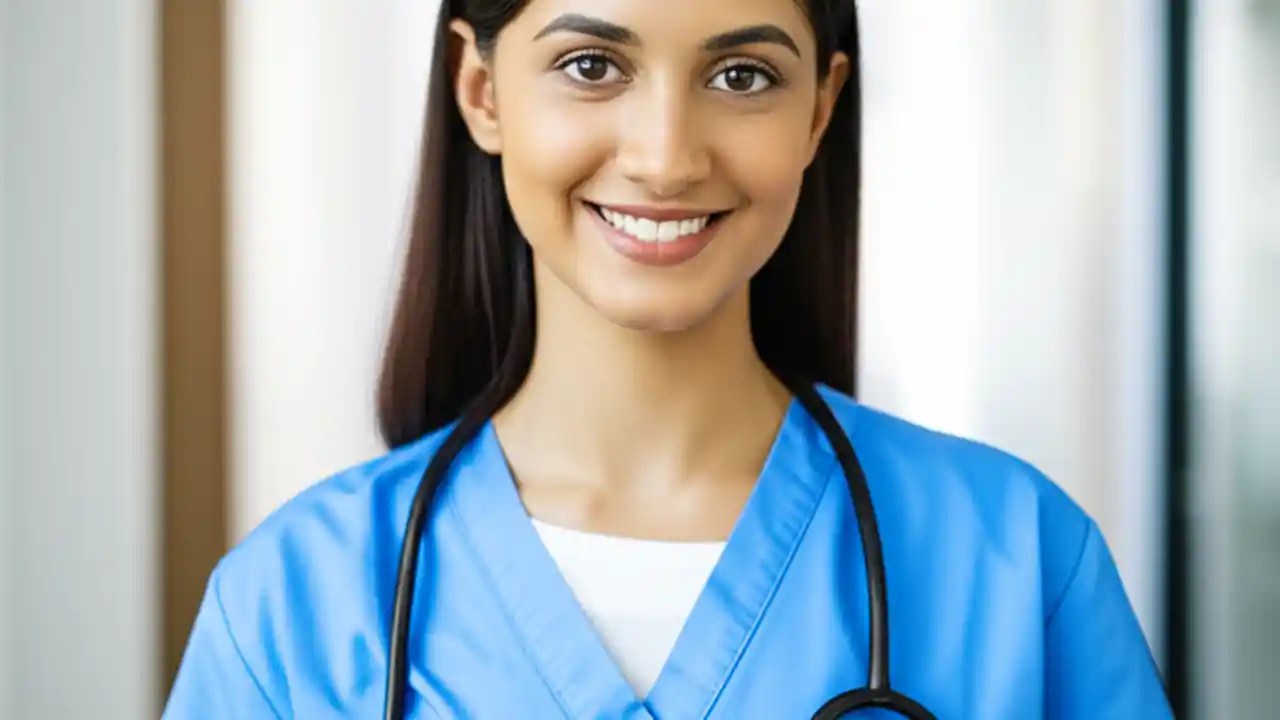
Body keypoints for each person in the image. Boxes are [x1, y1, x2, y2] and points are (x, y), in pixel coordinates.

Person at [164, 0, 1174, 717]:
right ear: (481, 91)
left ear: (817, 110)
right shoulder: (295, 601)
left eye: (741, 76)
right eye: (591, 66)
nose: (664, 155)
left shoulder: (1013, 559)